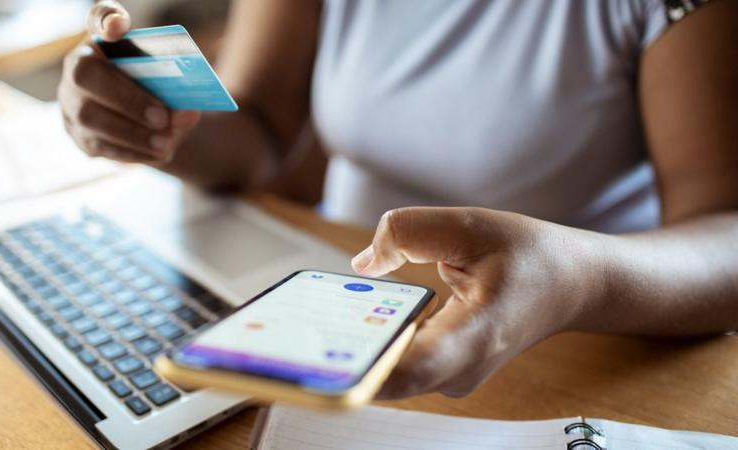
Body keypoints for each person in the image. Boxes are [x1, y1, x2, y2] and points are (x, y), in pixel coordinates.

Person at [58, 0, 738, 400]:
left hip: (575, 351)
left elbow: (725, 234)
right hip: (333, 299)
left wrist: (569, 280)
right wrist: (152, 121)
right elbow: (258, 130)